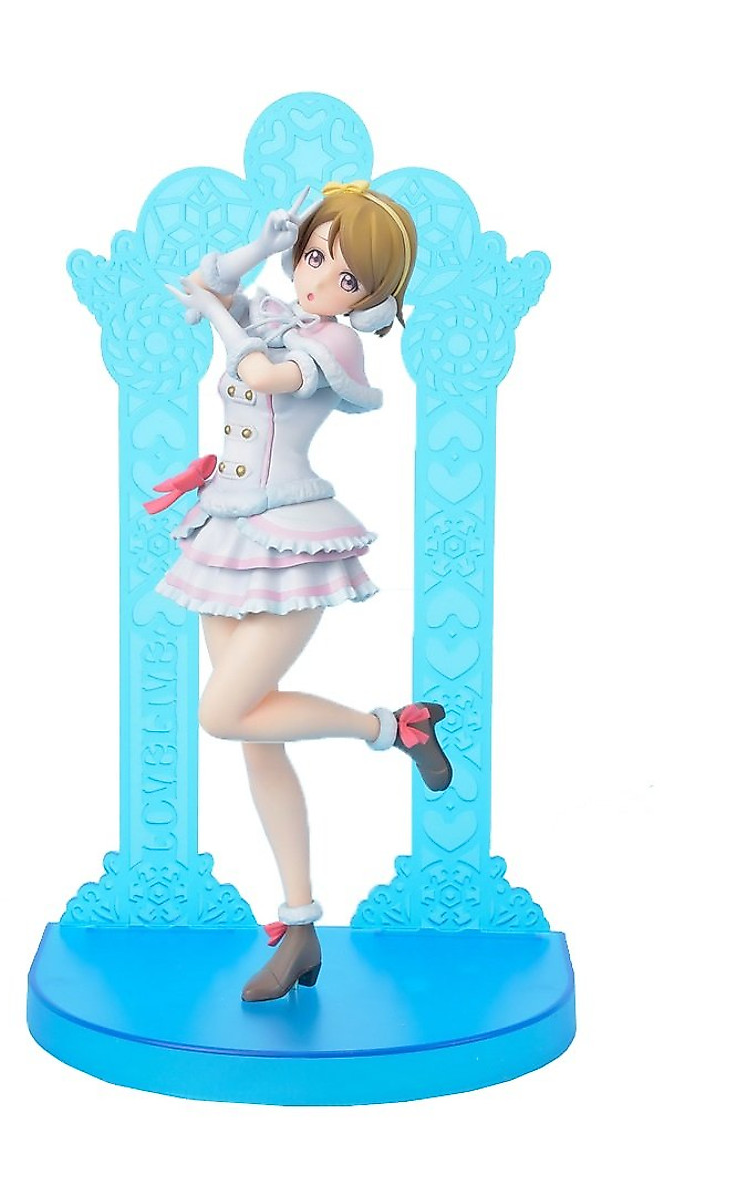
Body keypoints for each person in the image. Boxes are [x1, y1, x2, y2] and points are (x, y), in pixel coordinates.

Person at [161, 181, 452, 1002]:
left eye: (346, 276)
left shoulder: (334, 346)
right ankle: (299, 925)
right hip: (227, 535)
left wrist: (220, 317)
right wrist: (258, 248)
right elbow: (205, 282)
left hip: (291, 539)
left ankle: (388, 728)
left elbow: (258, 371)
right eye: (315, 256)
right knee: (256, 735)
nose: (319, 279)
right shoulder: (274, 311)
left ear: (373, 297)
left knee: (223, 715)